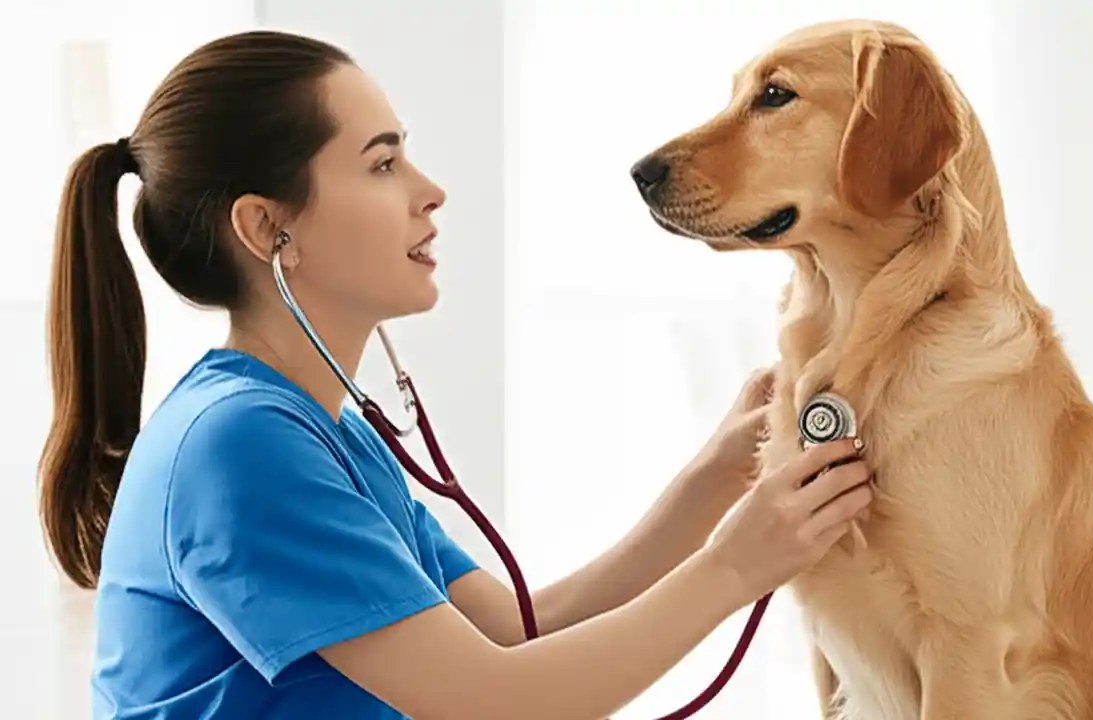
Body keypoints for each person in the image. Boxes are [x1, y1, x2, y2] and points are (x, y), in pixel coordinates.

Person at [37, 29, 874, 720]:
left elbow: (512, 632)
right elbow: (494, 702)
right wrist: (737, 565)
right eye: (381, 163)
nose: (429, 191)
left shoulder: (325, 431)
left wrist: (714, 478)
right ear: (266, 227)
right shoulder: (238, 446)